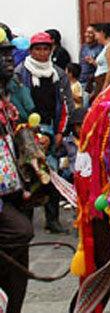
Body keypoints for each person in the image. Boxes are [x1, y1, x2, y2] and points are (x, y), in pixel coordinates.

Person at [14, 31, 74, 233]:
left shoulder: (58, 74)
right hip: (27, 131)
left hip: (51, 126)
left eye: (46, 49)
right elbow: (18, 105)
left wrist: (59, 133)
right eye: (38, 49)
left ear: (51, 50)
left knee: (53, 174)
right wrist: (30, 133)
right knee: (29, 175)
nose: (42, 53)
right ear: (31, 51)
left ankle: (52, 218)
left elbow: (66, 105)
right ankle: (26, 221)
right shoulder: (21, 73)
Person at [0, 35, 35, 313]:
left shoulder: (8, 97)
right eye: (1, 55)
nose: (9, 60)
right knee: (21, 232)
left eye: (9, 54)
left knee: (17, 267)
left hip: (14, 191)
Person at [87, 22, 110, 103]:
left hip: (104, 80)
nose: (95, 37)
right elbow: (103, 66)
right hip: (100, 80)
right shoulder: (106, 47)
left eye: (96, 34)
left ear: (102, 33)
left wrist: (105, 86)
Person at [78, 25, 102, 103]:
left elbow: (103, 68)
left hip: (91, 83)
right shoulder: (84, 47)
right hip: (81, 80)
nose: (87, 34)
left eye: (90, 33)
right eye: (86, 32)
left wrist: (93, 62)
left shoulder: (100, 48)